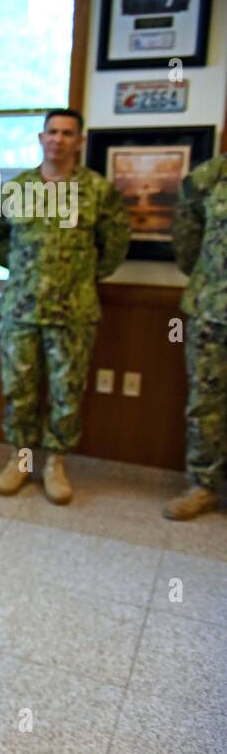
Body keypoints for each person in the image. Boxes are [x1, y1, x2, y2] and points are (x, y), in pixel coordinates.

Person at [0, 110, 129, 503]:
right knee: (19, 390)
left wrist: (80, 278)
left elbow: (114, 246)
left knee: (67, 392)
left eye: (68, 133)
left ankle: (56, 463)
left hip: (74, 311)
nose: (58, 139)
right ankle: (22, 458)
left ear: (79, 141)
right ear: (40, 136)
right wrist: (27, 273)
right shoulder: (15, 189)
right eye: (52, 131)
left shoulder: (98, 191)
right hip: (21, 310)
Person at [165, 153, 226, 520]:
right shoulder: (211, 176)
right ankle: (203, 486)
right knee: (205, 403)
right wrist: (206, 278)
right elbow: (186, 234)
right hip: (211, 308)